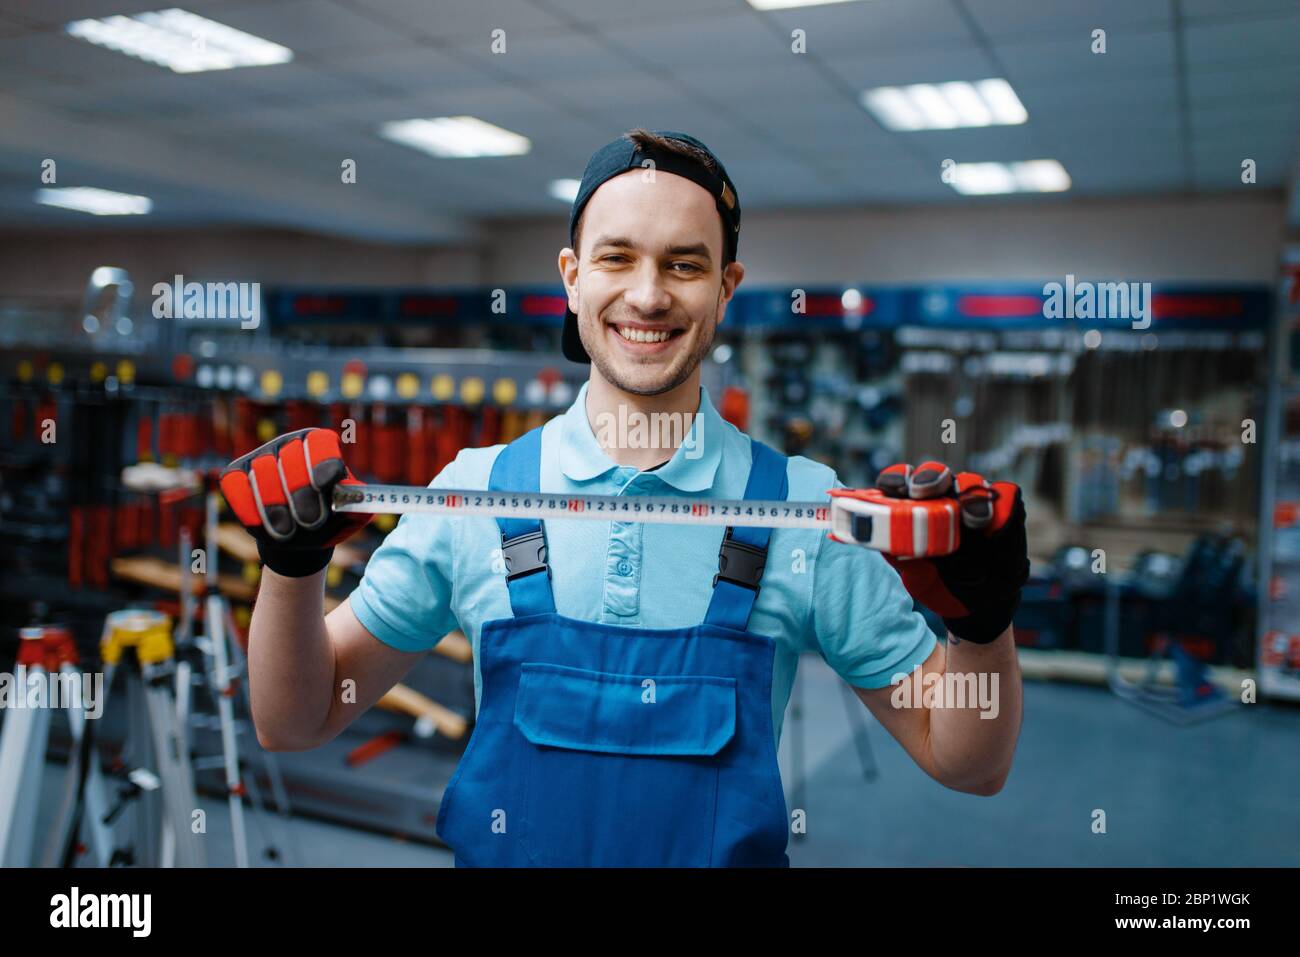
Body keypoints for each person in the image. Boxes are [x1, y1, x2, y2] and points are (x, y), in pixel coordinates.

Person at [219, 129, 1028, 867]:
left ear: (725, 287)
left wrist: (981, 628)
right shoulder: (475, 492)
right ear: (572, 278)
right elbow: (295, 719)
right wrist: (292, 568)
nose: (648, 296)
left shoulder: (803, 510)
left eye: (684, 263)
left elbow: (967, 761)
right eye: (616, 258)